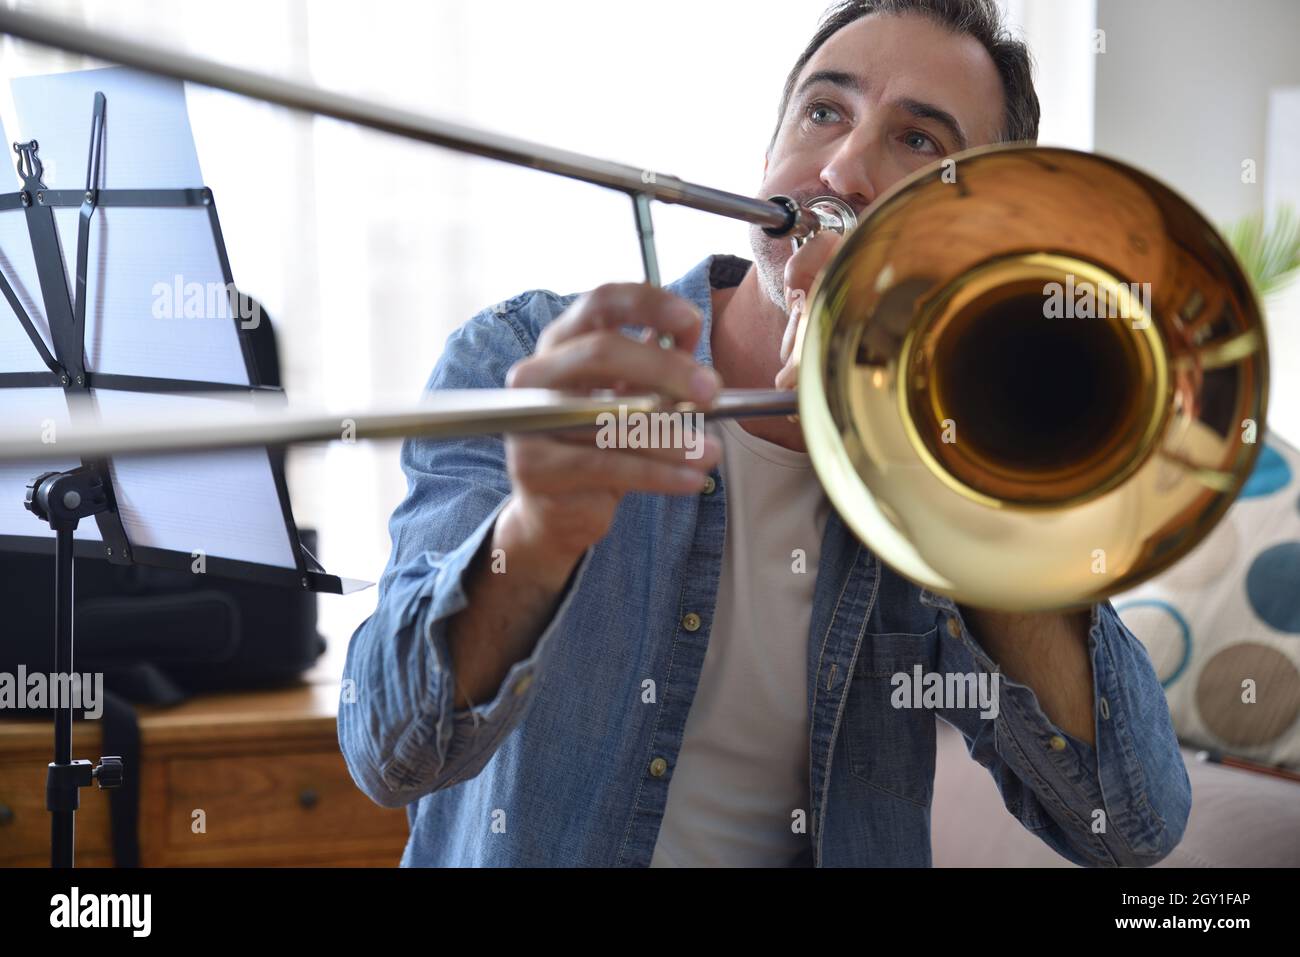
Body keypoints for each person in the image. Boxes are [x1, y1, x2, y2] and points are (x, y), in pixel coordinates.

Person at [338, 0, 1191, 867]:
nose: (846, 168)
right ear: (770, 150)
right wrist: (535, 533)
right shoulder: (524, 356)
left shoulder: (959, 449)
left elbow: (1131, 824)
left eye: (920, 142)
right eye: (825, 112)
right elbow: (388, 750)